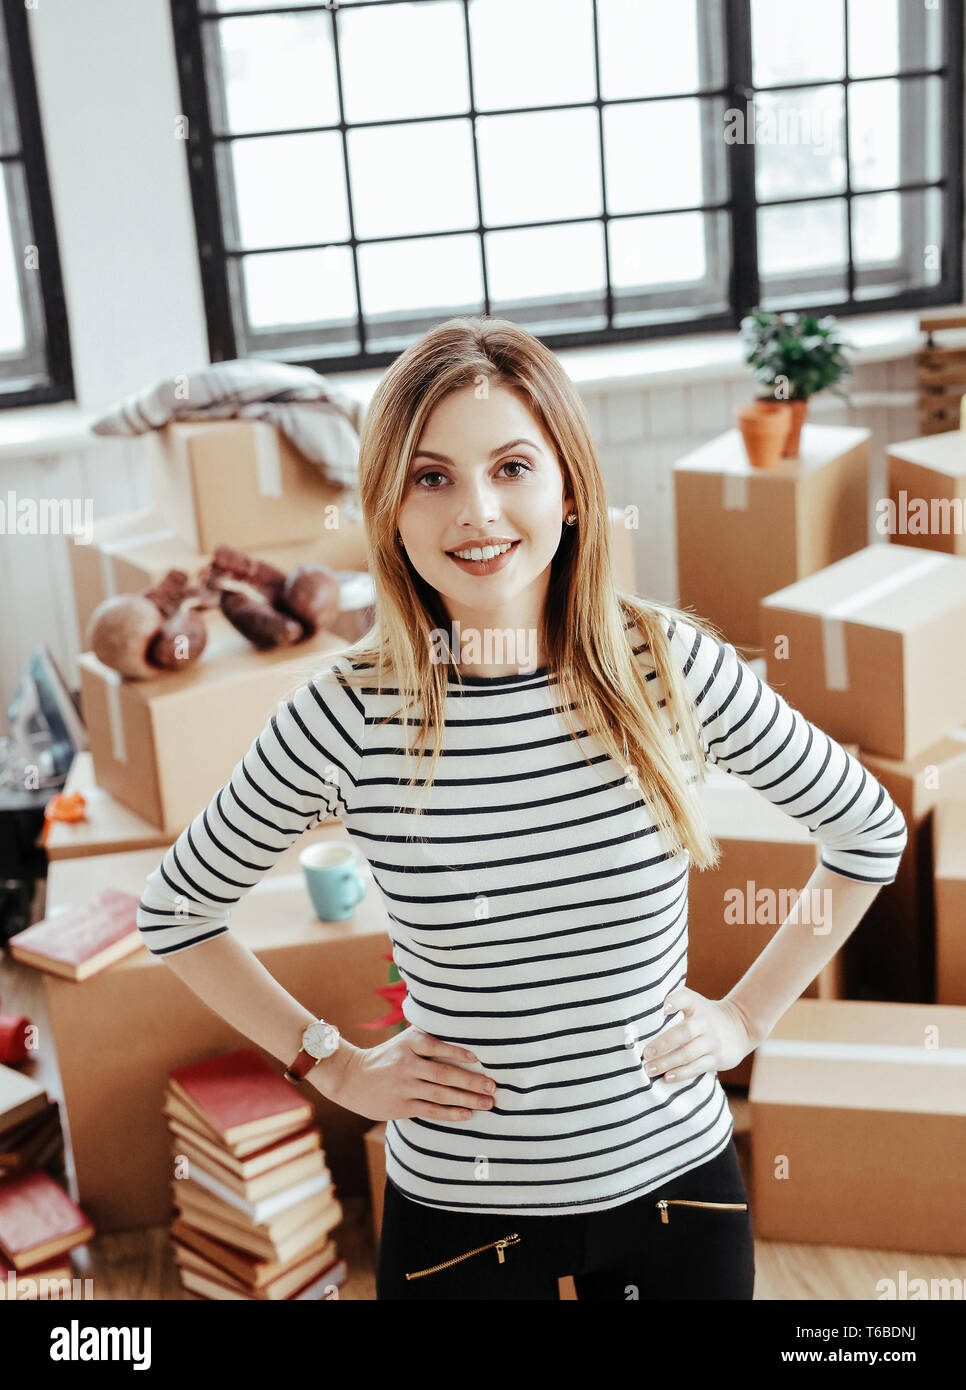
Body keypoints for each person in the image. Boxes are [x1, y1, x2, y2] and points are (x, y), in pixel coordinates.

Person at [137, 315, 908, 1301]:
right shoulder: (345, 714)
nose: (476, 512)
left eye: (511, 467)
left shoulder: (666, 666)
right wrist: (331, 1065)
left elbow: (866, 830)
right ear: (389, 507)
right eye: (432, 476)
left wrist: (748, 1015)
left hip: (678, 1195)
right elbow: (177, 913)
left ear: (570, 488)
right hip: (463, 1213)